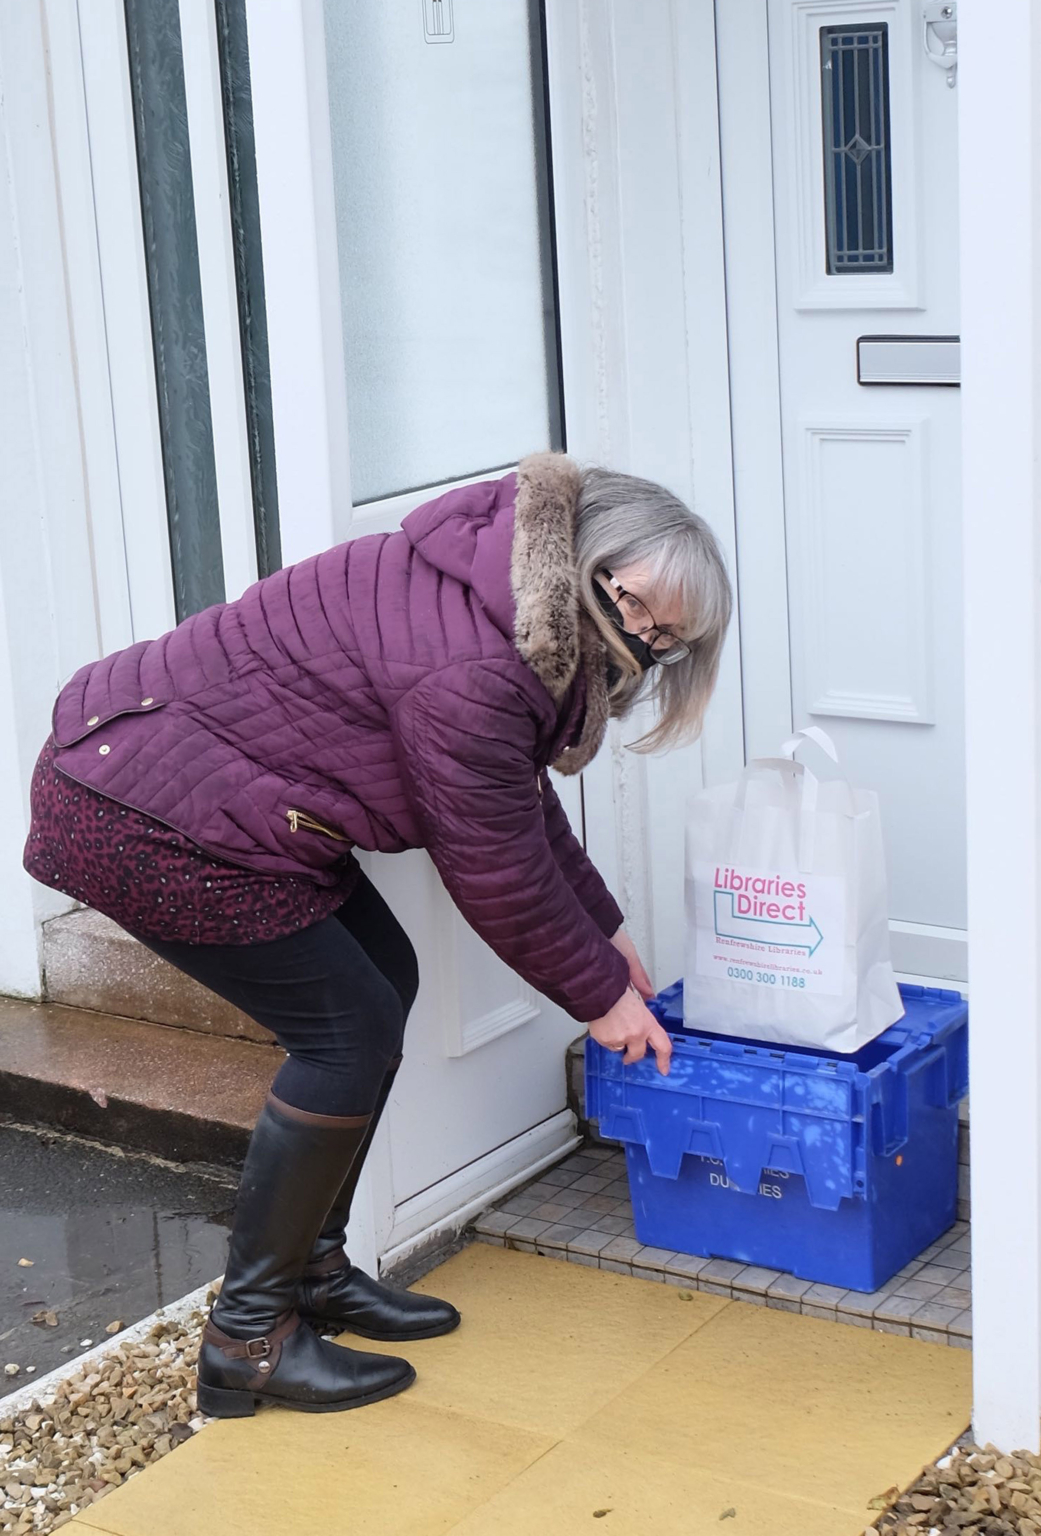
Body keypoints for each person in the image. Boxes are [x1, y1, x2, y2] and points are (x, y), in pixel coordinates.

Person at [22, 452, 732, 1418]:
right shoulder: (477, 662)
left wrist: (602, 930)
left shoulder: (503, 599)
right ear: (587, 551)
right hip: (145, 812)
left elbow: (507, 798)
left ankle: (311, 1272)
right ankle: (249, 1339)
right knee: (345, 1029)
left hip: (213, 797)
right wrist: (598, 997)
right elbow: (490, 859)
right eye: (636, 602)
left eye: (666, 636)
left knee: (381, 981)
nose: (643, 639)